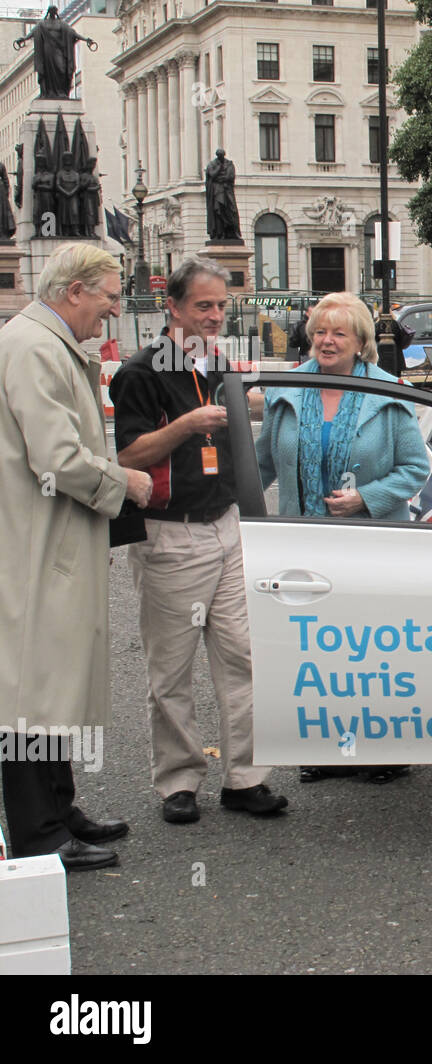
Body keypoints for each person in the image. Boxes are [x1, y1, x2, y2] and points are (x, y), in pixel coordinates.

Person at [109, 256, 289, 824]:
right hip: (171, 532)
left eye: (221, 306)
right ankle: (179, 781)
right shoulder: (140, 372)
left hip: (226, 526)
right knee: (172, 669)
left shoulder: (219, 362)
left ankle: (245, 778)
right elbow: (128, 456)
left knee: (243, 658)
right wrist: (186, 425)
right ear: (173, 307)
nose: (214, 316)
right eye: (203, 306)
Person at [0, 243, 153, 870]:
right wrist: (124, 482)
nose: (115, 309)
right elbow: (58, 458)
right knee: (30, 692)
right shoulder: (35, 347)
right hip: (37, 545)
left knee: (51, 683)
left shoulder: (44, 342)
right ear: (74, 292)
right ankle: (39, 833)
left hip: (49, 537)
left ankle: (59, 813)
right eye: (110, 297)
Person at [256, 291, 430, 785]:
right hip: (305, 541)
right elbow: (262, 463)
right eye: (319, 331)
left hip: (373, 545)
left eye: (338, 333)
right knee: (318, 648)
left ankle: (382, 748)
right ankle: (327, 747)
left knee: (372, 648)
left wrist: (365, 498)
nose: (326, 341)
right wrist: (228, 507)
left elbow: (415, 468)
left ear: (360, 342)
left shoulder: (389, 392)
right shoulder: (287, 390)